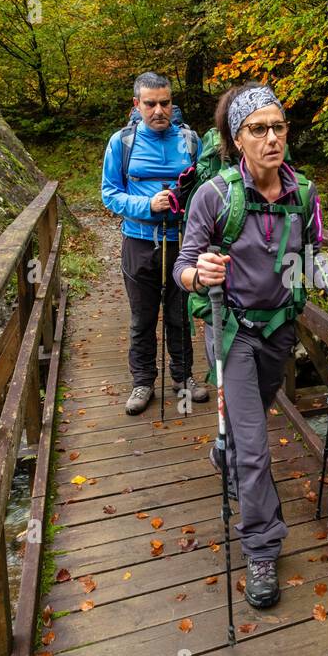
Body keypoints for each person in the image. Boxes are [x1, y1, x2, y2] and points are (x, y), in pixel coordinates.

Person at [173, 83, 328, 608]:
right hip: (230, 330)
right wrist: (198, 275)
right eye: (259, 129)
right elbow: (182, 265)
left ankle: (224, 449)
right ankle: (261, 545)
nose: (273, 137)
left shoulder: (304, 193)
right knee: (255, 448)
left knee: (246, 424)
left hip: (280, 328)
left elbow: (311, 255)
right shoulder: (214, 195)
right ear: (237, 139)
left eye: (279, 126)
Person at [101, 71, 209, 414]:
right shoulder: (122, 143)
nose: (158, 110)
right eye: (150, 104)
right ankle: (143, 381)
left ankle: (183, 378)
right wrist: (146, 205)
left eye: (165, 102)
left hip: (182, 242)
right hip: (139, 241)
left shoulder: (190, 141)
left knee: (180, 315)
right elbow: (109, 194)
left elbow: (205, 189)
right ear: (137, 105)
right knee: (142, 318)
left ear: (172, 102)